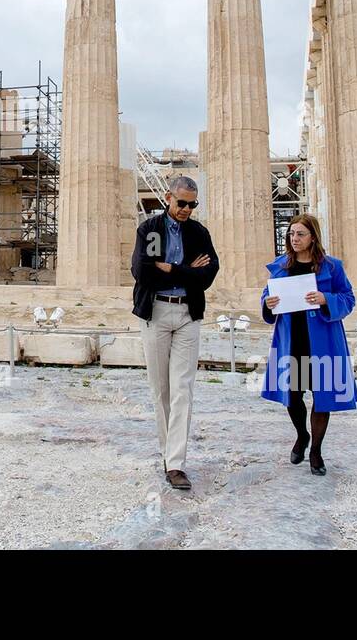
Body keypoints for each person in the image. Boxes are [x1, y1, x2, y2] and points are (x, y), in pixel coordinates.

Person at [130, 176, 219, 490]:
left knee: (183, 388)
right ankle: (169, 455)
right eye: (182, 203)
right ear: (168, 198)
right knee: (161, 389)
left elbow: (208, 274)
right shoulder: (151, 230)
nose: (186, 209)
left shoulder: (198, 233)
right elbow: (143, 272)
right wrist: (186, 271)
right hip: (156, 311)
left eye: (192, 204)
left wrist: (176, 269)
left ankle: (175, 464)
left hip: (188, 312)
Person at [259, 213, 357, 476]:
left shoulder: (332, 267)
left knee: (322, 396)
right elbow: (267, 296)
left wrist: (326, 299)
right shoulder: (281, 266)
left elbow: (348, 297)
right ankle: (302, 435)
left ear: (313, 236)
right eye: (291, 234)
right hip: (293, 339)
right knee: (292, 395)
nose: (294, 238)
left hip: (323, 340)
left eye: (300, 234)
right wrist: (267, 304)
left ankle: (316, 451)